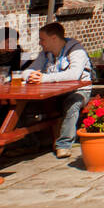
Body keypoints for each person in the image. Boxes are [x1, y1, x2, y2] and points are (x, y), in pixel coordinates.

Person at [24, 22, 93, 159]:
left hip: (79, 91)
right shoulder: (45, 54)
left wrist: (44, 78)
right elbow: (28, 71)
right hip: (54, 93)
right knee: (23, 107)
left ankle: (64, 145)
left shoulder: (76, 51)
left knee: (72, 104)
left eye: (42, 39)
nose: (40, 43)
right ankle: (29, 144)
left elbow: (74, 75)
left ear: (54, 38)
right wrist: (31, 76)